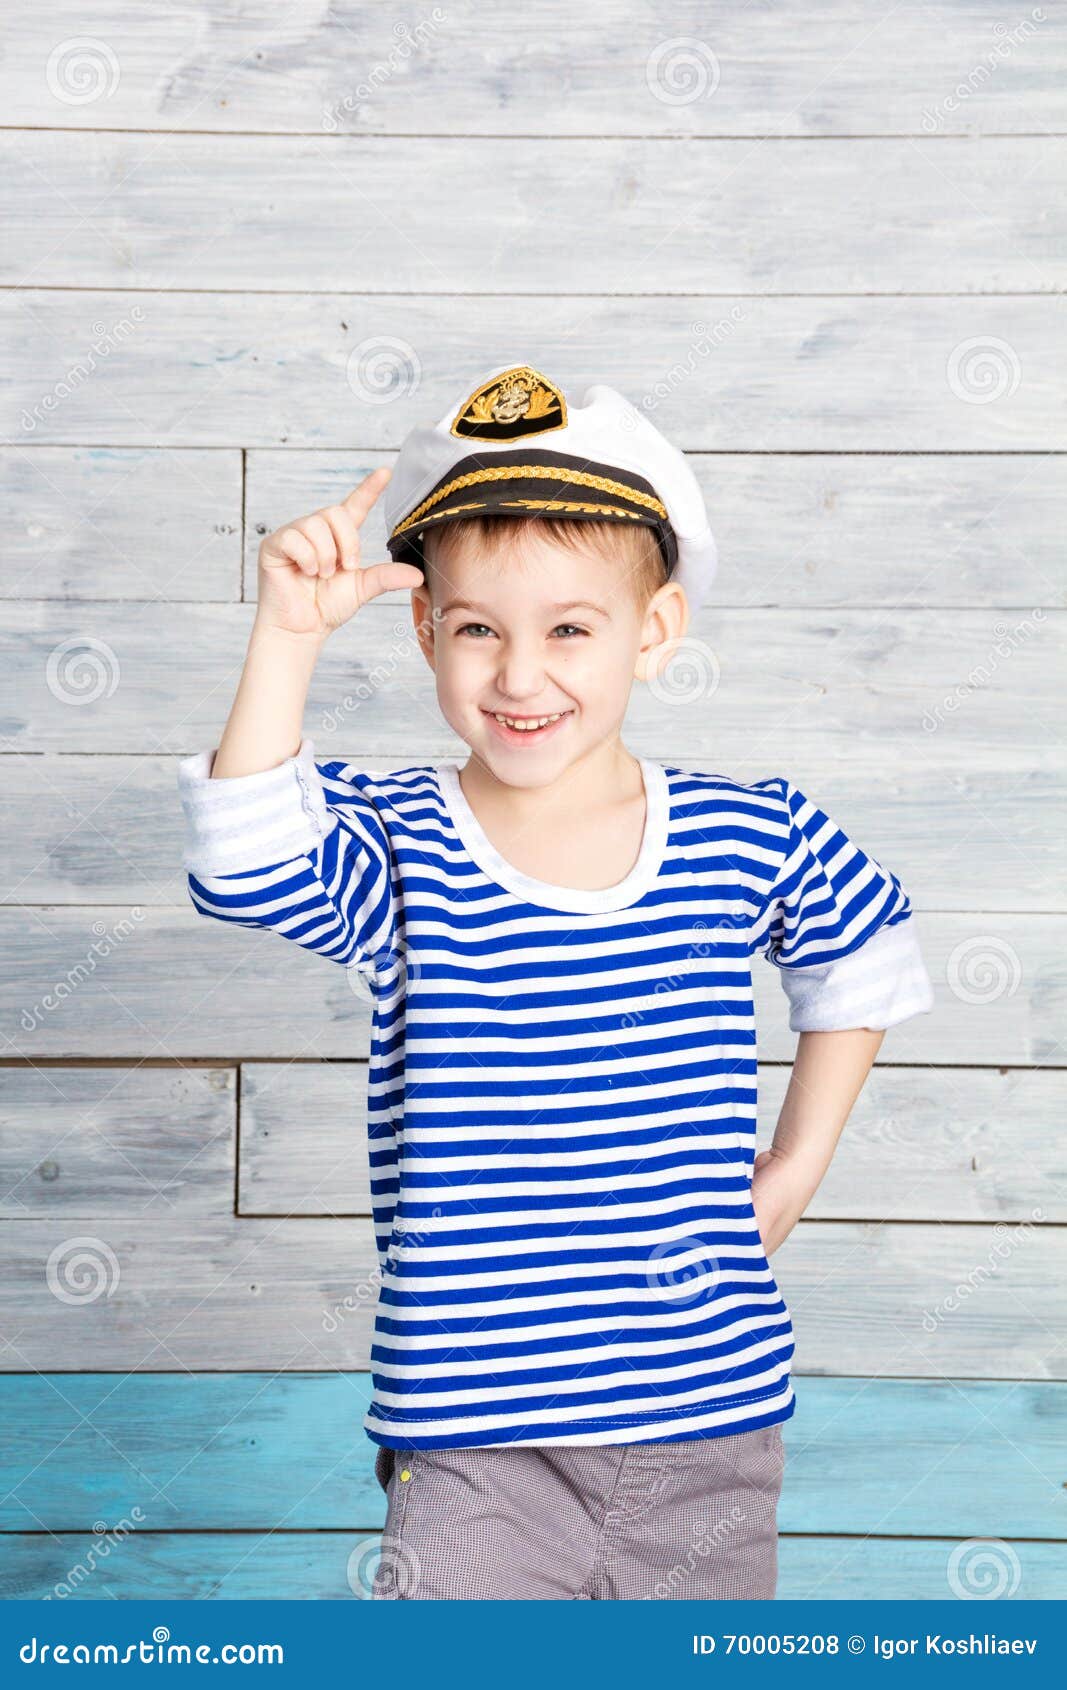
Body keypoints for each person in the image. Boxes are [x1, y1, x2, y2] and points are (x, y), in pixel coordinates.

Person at [177, 363, 934, 1601]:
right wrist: (285, 637)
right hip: (478, 1439)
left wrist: (793, 1168)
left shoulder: (748, 832)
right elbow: (247, 864)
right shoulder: (402, 843)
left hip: (709, 1421)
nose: (519, 677)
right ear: (424, 631)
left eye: (568, 628)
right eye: (478, 628)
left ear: (654, 630)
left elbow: (864, 947)